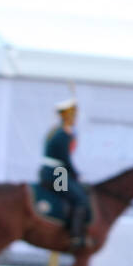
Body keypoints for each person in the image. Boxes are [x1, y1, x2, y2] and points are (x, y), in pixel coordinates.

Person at [42, 98, 90, 254]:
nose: (75, 119)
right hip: (57, 173)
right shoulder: (63, 134)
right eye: (73, 115)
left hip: (55, 171)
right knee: (80, 198)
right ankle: (75, 235)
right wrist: (75, 174)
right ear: (67, 116)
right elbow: (65, 158)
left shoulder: (57, 132)